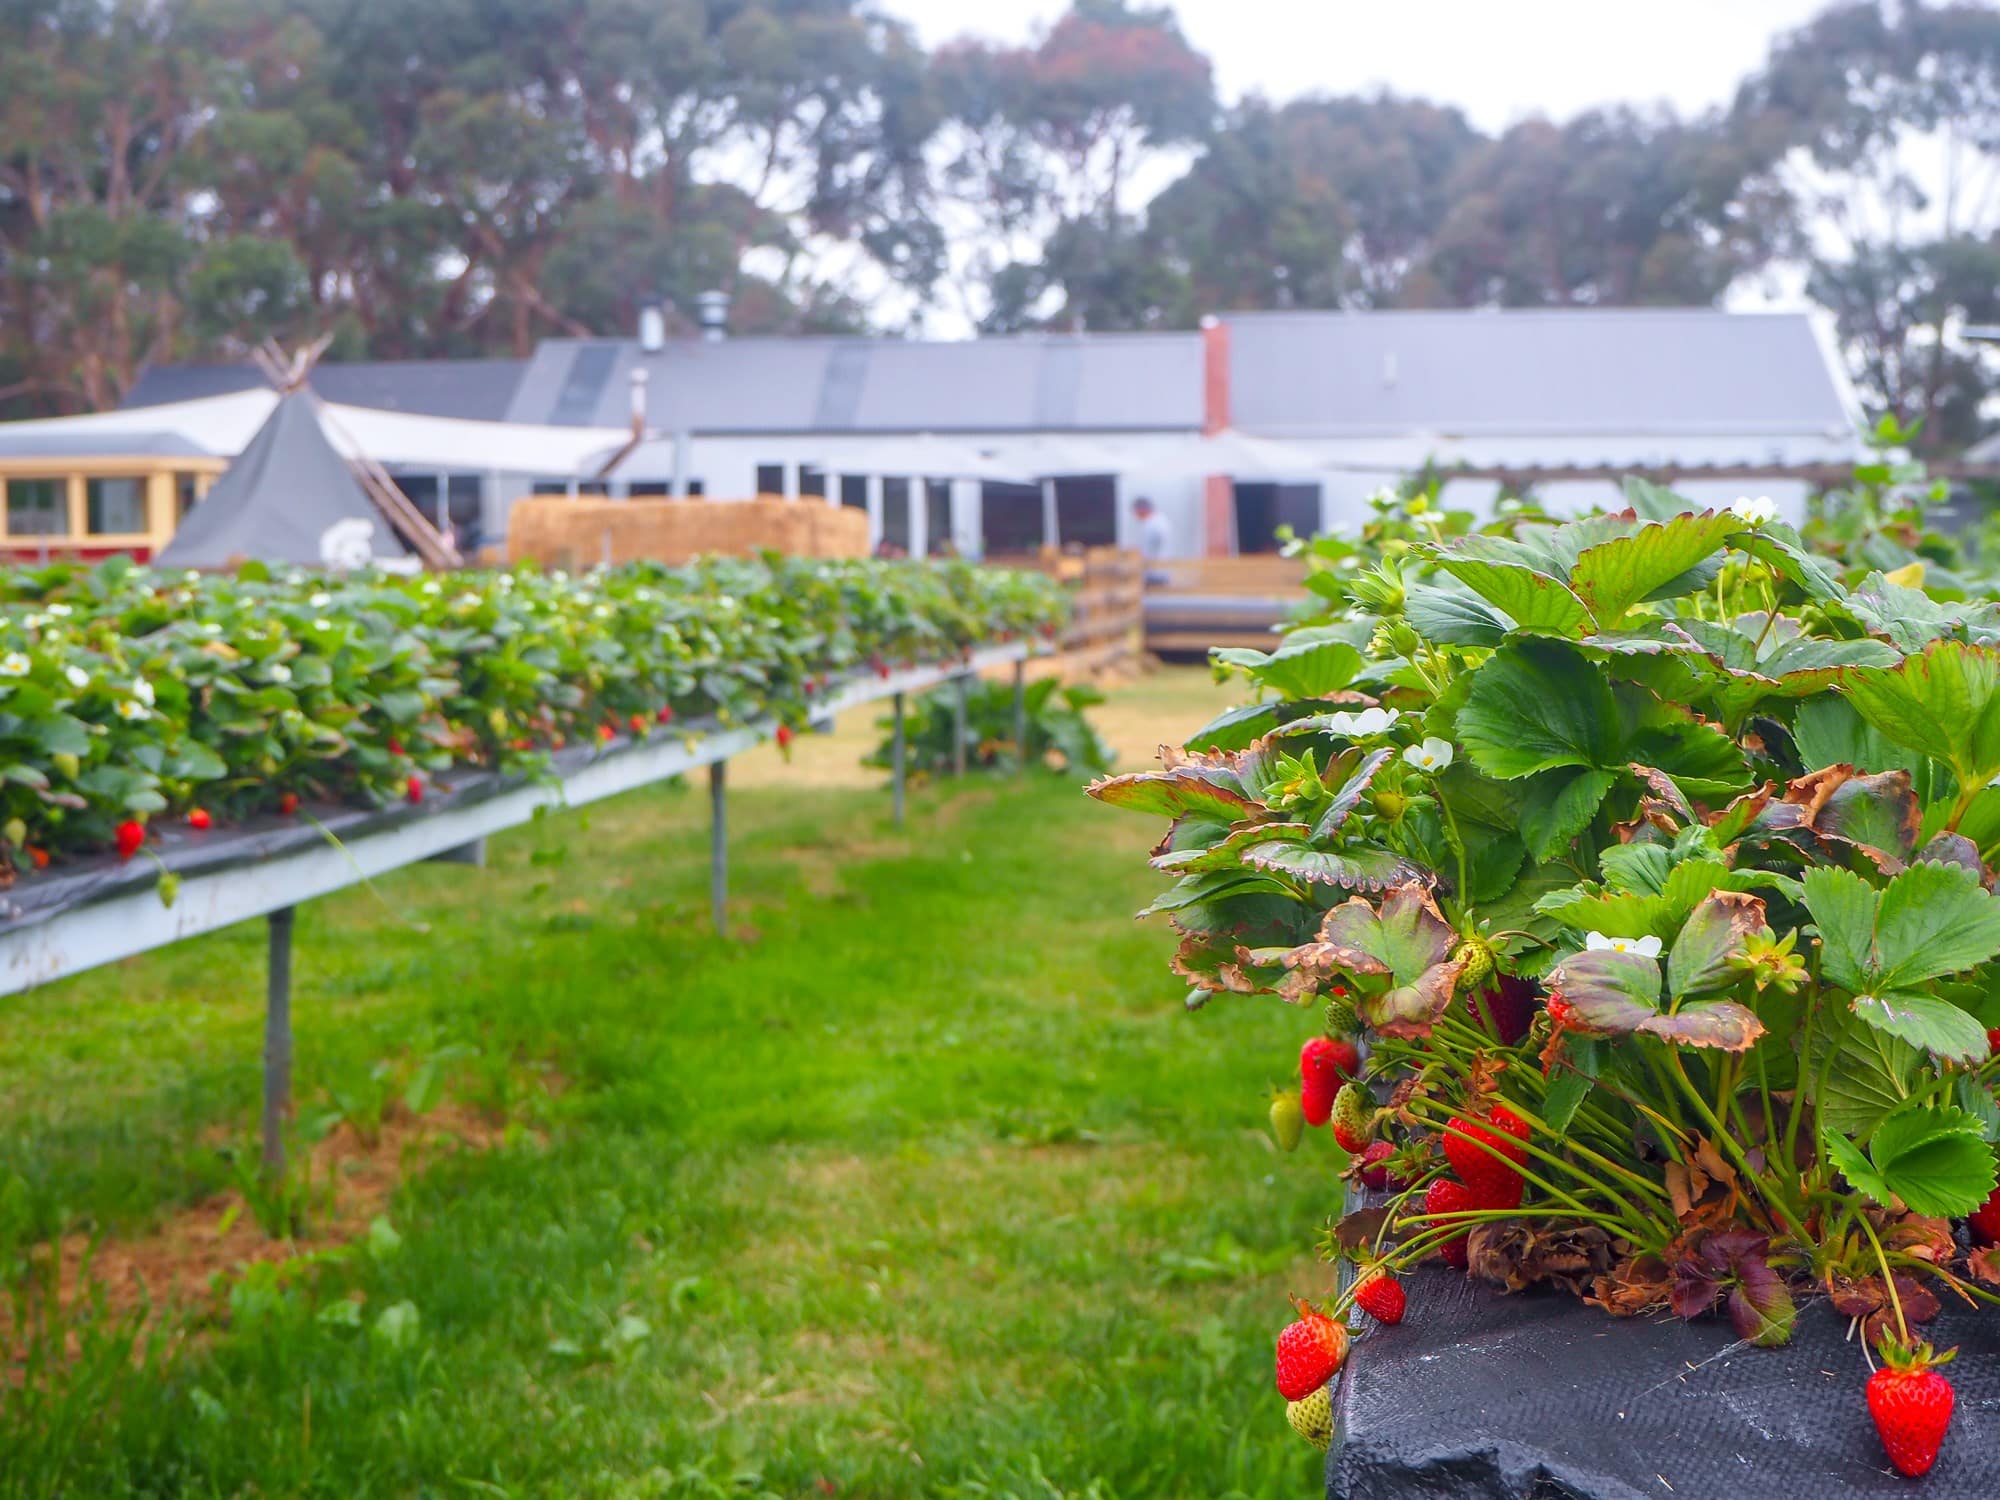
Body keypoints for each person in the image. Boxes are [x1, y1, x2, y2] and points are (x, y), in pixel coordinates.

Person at [1133, 496, 1171, 583]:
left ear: (1142, 510)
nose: (1136, 516)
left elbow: (1157, 541)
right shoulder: (1153, 522)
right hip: (1153, 570)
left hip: (1156, 573)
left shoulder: (1155, 522)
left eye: (1136, 512)